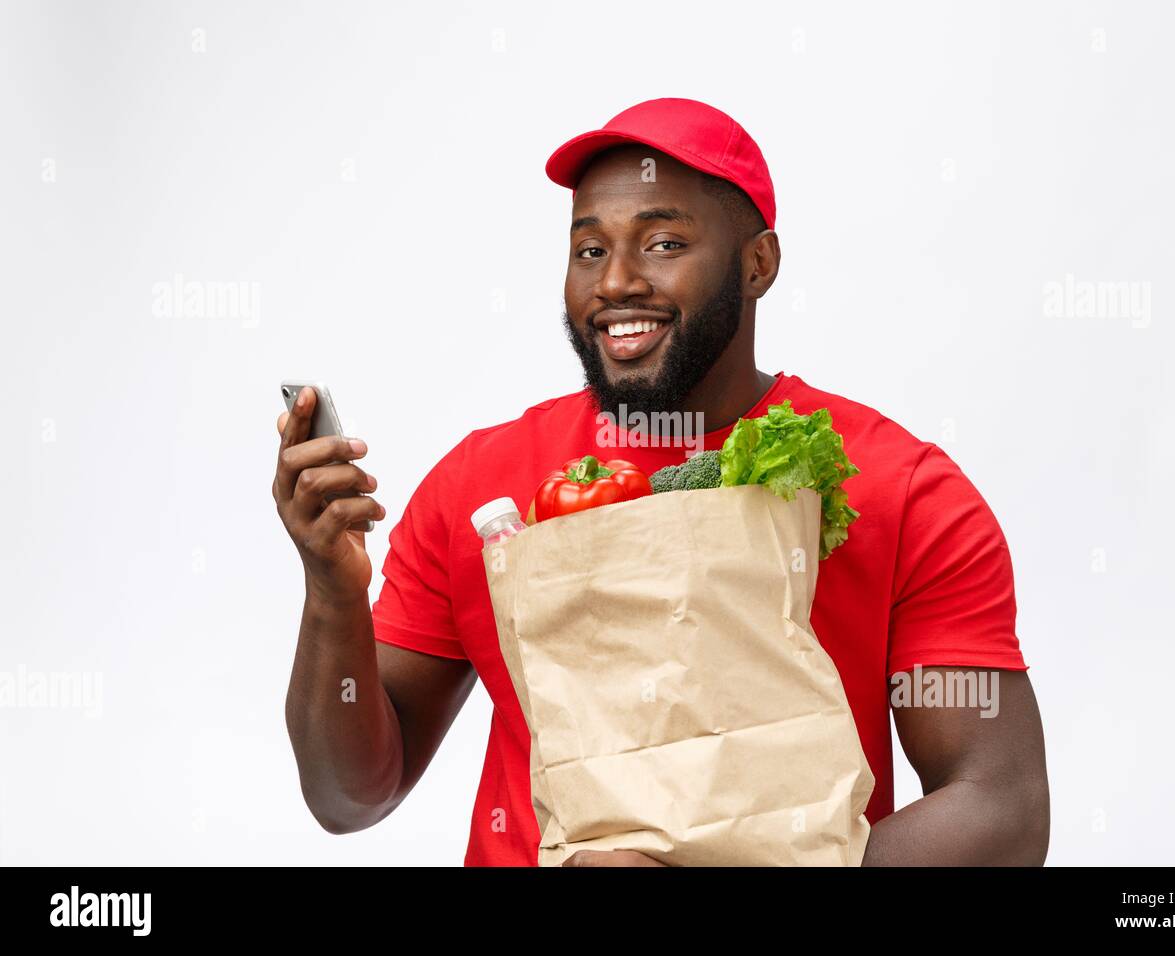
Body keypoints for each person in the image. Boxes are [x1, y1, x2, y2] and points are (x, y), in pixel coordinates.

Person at [273, 97, 1049, 867]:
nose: (616, 283)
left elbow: (1000, 806)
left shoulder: (899, 488)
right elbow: (350, 799)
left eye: (664, 242)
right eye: (589, 251)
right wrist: (333, 592)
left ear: (758, 264)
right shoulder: (481, 486)